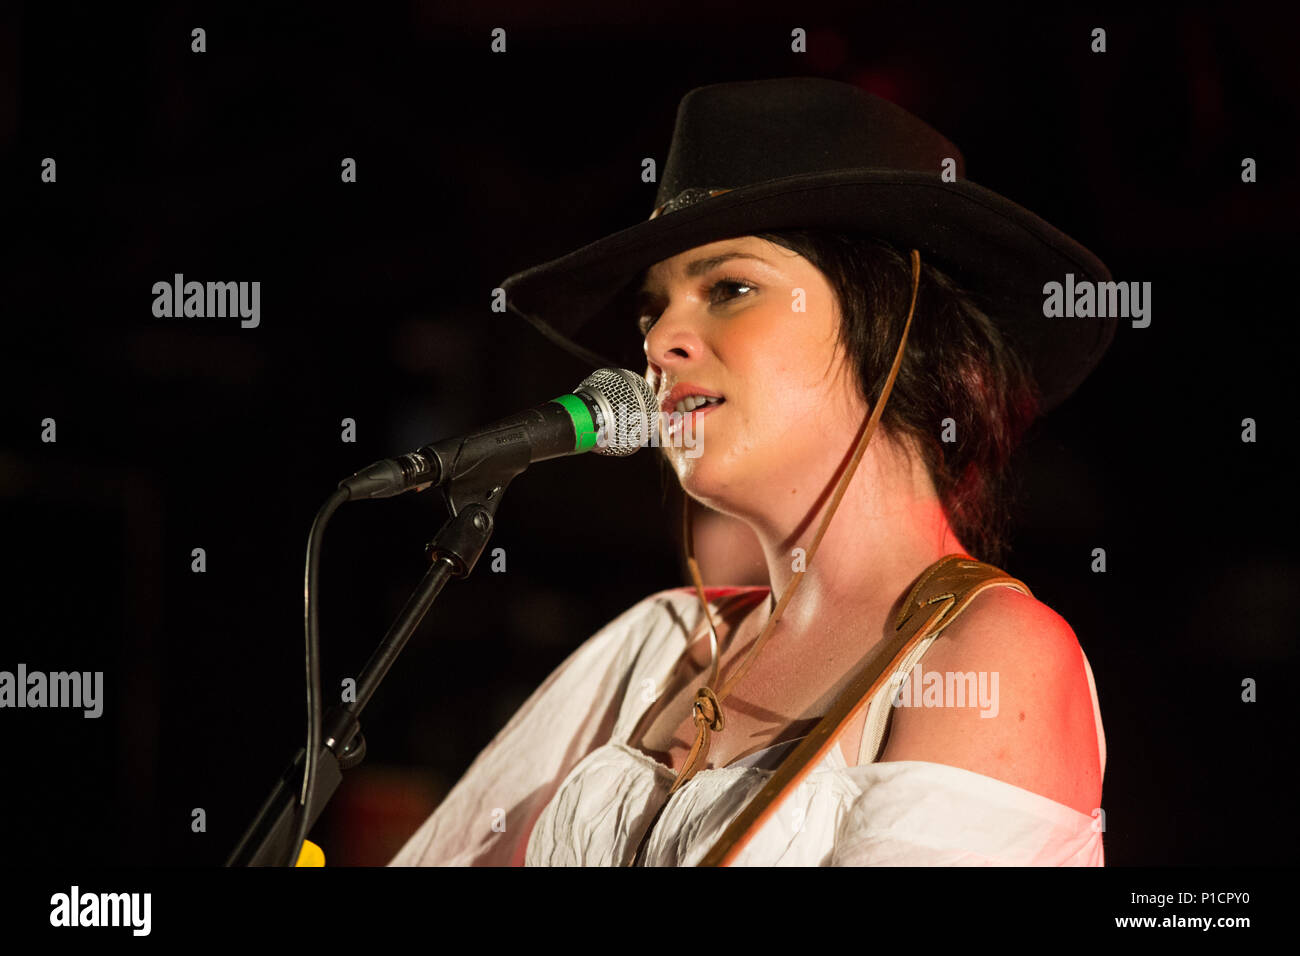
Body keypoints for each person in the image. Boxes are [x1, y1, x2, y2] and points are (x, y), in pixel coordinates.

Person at [390, 77, 1113, 866]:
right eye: (650, 309)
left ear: (899, 325)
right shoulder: (656, 644)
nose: (660, 338)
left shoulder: (988, 655)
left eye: (730, 288)